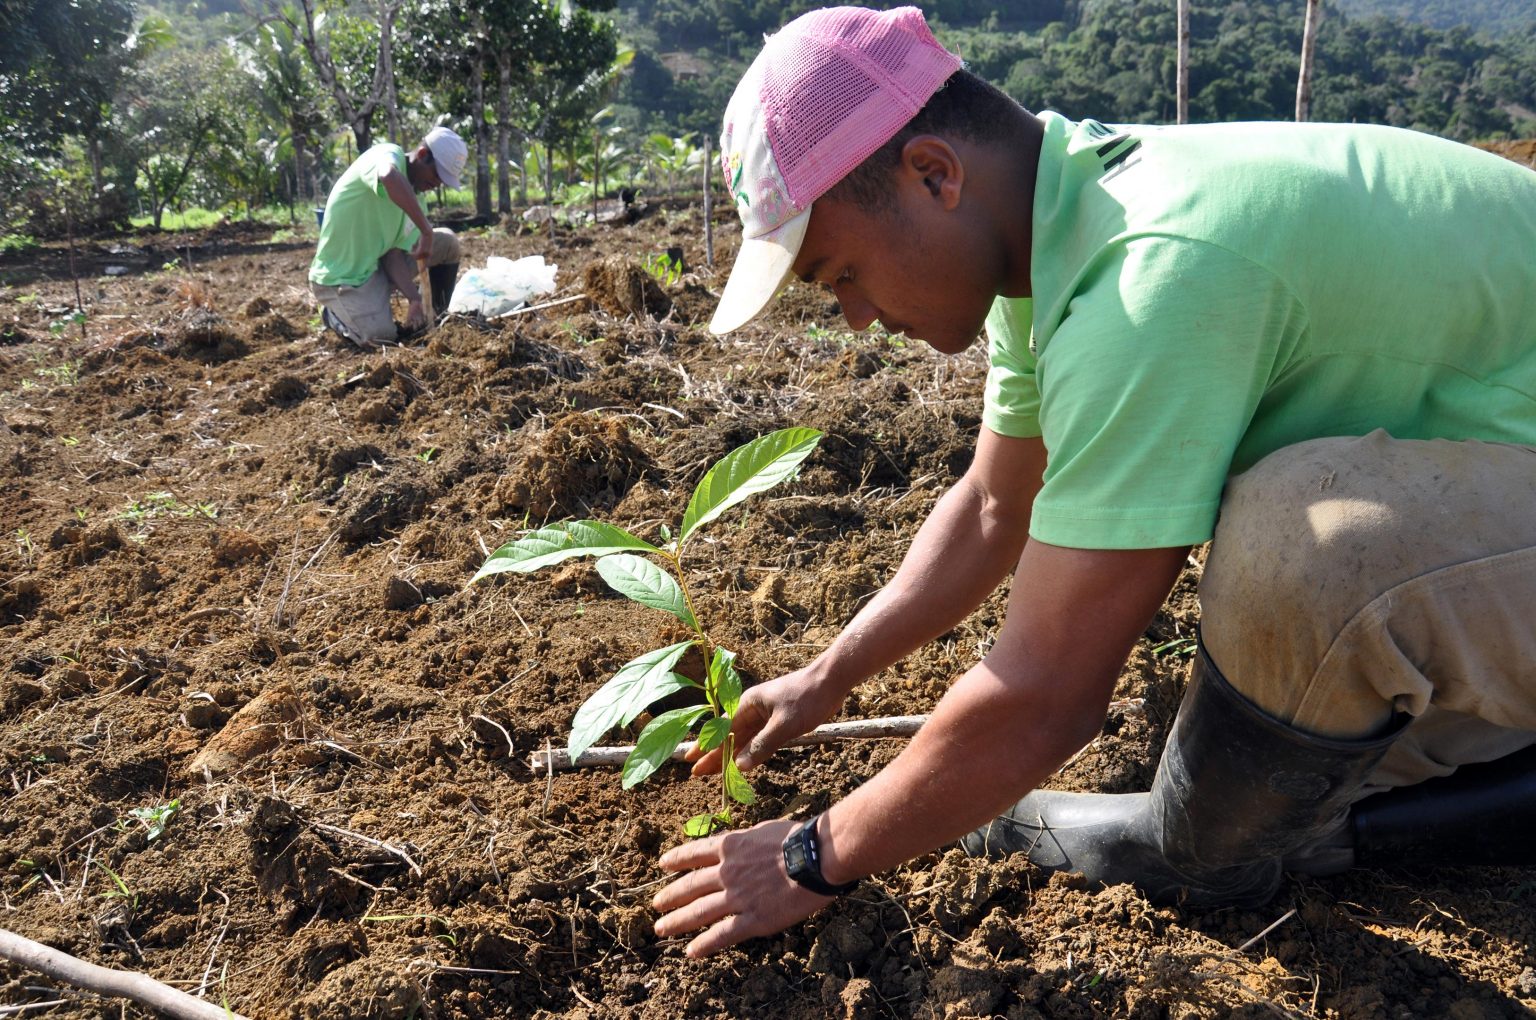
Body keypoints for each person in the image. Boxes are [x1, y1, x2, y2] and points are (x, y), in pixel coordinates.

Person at [650, 5, 1536, 958]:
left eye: (843, 273)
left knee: (1312, 552)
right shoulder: (1062, 226)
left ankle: (1203, 852)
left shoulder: (1151, 278)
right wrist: (825, 678)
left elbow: (1047, 695)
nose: (856, 317)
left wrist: (813, 855)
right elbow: (995, 505)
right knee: (1293, 725)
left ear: (935, 174)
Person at [309, 126, 468, 348]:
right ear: (423, 154)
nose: (438, 184)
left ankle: (432, 318)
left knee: (447, 242)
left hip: (376, 268)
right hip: (342, 277)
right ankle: (333, 314)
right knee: (380, 338)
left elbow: (392, 255)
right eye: (437, 175)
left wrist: (414, 299)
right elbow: (388, 176)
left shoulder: (417, 199)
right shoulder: (385, 155)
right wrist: (426, 230)